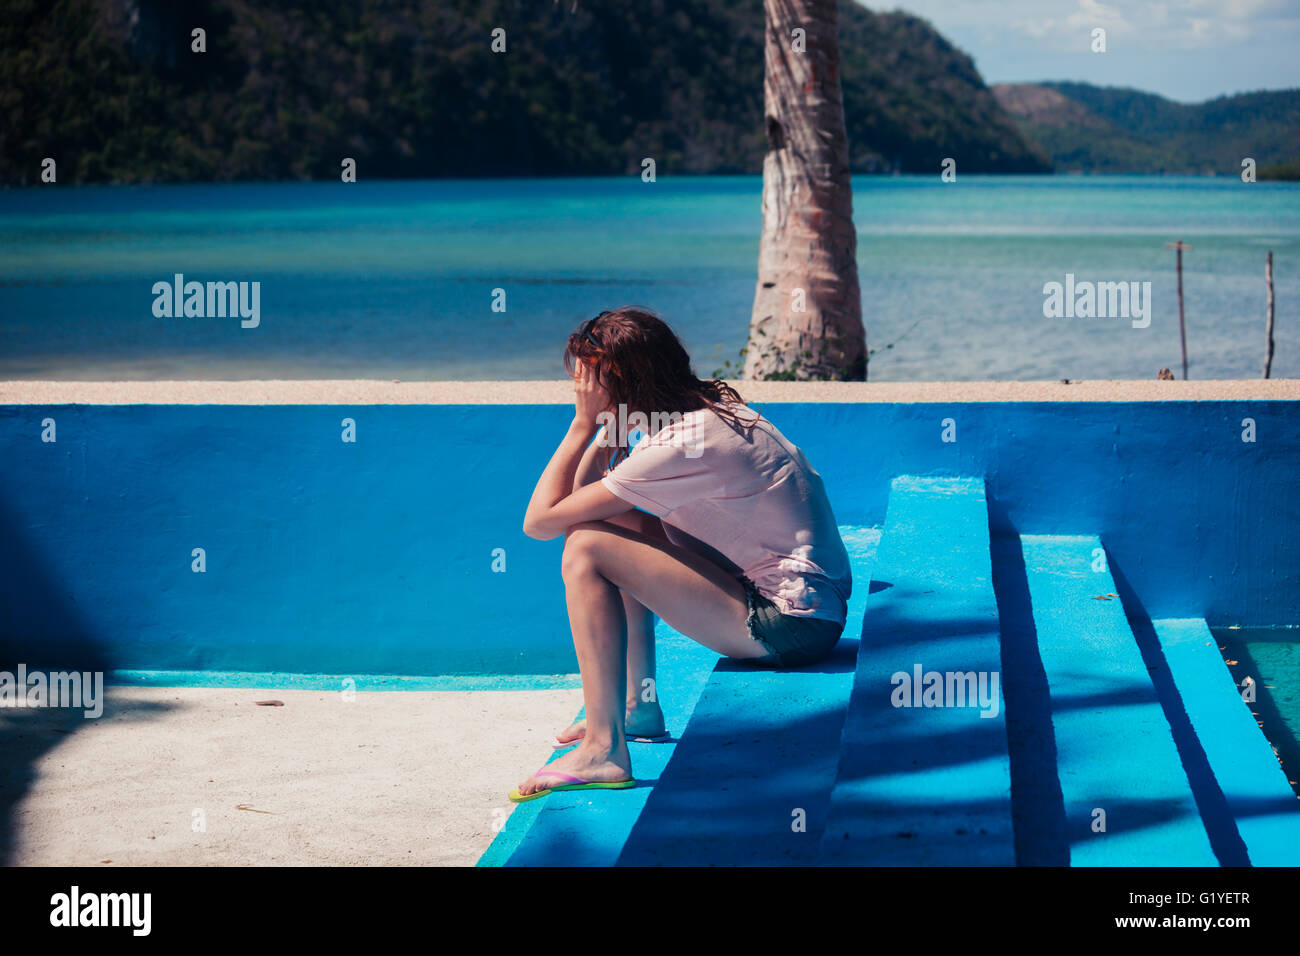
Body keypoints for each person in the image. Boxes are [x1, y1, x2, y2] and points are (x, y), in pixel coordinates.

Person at [511, 307, 852, 801]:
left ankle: (605, 749)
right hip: (807, 608)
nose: (582, 392)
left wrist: (583, 426)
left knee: (586, 549)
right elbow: (586, 502)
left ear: (618, 381)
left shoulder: (683, 443)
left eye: (588, 382)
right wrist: (614, 422)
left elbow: (540, 522)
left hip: (792, 625)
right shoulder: (703, 411)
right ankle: (637, 708)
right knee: (616, 527)